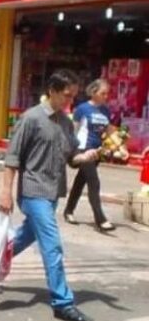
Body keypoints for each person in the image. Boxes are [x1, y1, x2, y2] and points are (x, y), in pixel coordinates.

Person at [0, 71, 101, 321]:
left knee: (25, 236)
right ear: (52, 90)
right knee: (52, 246)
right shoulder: (31, 118)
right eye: (66, 95)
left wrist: (86, 156)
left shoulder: (65, 122)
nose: (70, 101)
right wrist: (6, 192)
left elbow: (71, 157)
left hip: (53, 192)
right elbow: (12, 158)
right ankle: (63, 303)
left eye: (73, 97)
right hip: (33, 192)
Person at [63, 79, 115, 231]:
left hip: (96, 151)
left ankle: (68, 211)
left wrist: (115, 145)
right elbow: (73, 130)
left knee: (81, 181)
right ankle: (100, 219)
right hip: (83, 149)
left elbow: (108, 131)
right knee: (94, 182)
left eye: (107, 93)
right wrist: (72, 151)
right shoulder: (82, 109)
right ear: (93, 92)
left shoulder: (106, 111)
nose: (106, 96)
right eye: (103, 93)